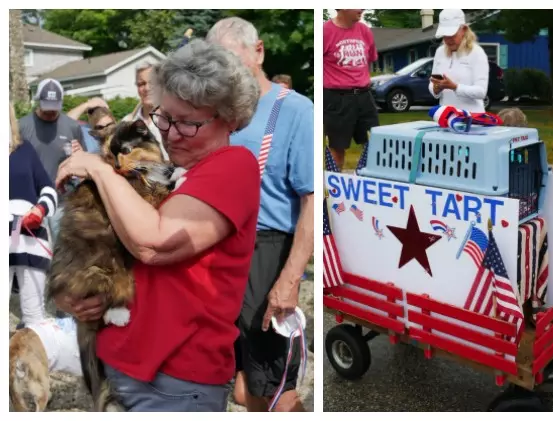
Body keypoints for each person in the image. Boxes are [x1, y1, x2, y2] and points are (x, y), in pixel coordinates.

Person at [51, 39, 261, 412]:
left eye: (189, 123)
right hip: (119, 359)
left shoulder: (233, 165)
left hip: (176, 377)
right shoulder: (168, 169)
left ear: (229, 118)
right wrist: (75, 295)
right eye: (165, 118)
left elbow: (154, 242)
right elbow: (103, 247)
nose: (171, 133)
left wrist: (100, 168)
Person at [207, 17, 314, 412]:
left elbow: (310, 202)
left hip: (266, 252)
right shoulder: (217, 113)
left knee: (274, 391)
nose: (228, 74)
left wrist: (289, 280)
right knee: (240, 386)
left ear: (259, 51)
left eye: (234, 62)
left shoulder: (297, 111)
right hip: (220, 253)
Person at [19, 78, 84, 249]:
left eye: (54, 108)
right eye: (46, 107)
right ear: (37, 101)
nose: (50, 113)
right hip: (30, 205)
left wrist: (80, 155)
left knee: (61, 255)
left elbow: (82, 166)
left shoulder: (72, 127)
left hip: (61, 205)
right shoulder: (22, 127)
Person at [9, 101, 59, 327]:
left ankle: (37, 359)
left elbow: (48, 188)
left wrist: (40, 209)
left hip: (31, 238)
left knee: (34, 316)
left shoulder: (25, 150)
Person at [323, 9, 379, 170]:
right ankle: (333, 191)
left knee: (374, 144)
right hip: (337, 98)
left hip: (364, 95)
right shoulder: (325, 32)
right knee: (337, 148)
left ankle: (367, 185)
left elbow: (370, 59)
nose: (361, 8)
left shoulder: (364, 30)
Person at [429, 9, 489, 113]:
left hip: (472, 119)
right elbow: (432, 82)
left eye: (452, 35)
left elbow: (481, 92)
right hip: (446, 117)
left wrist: (455, 87)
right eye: (445, 36)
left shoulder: (477, 53)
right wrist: (436, 89)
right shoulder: (440, 52)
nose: (448, 40)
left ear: (464, 30)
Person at [122, 62, 169, 160]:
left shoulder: (172, 118)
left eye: (151, 82)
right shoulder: (127, 123)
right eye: (141, 84)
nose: (147, 88)